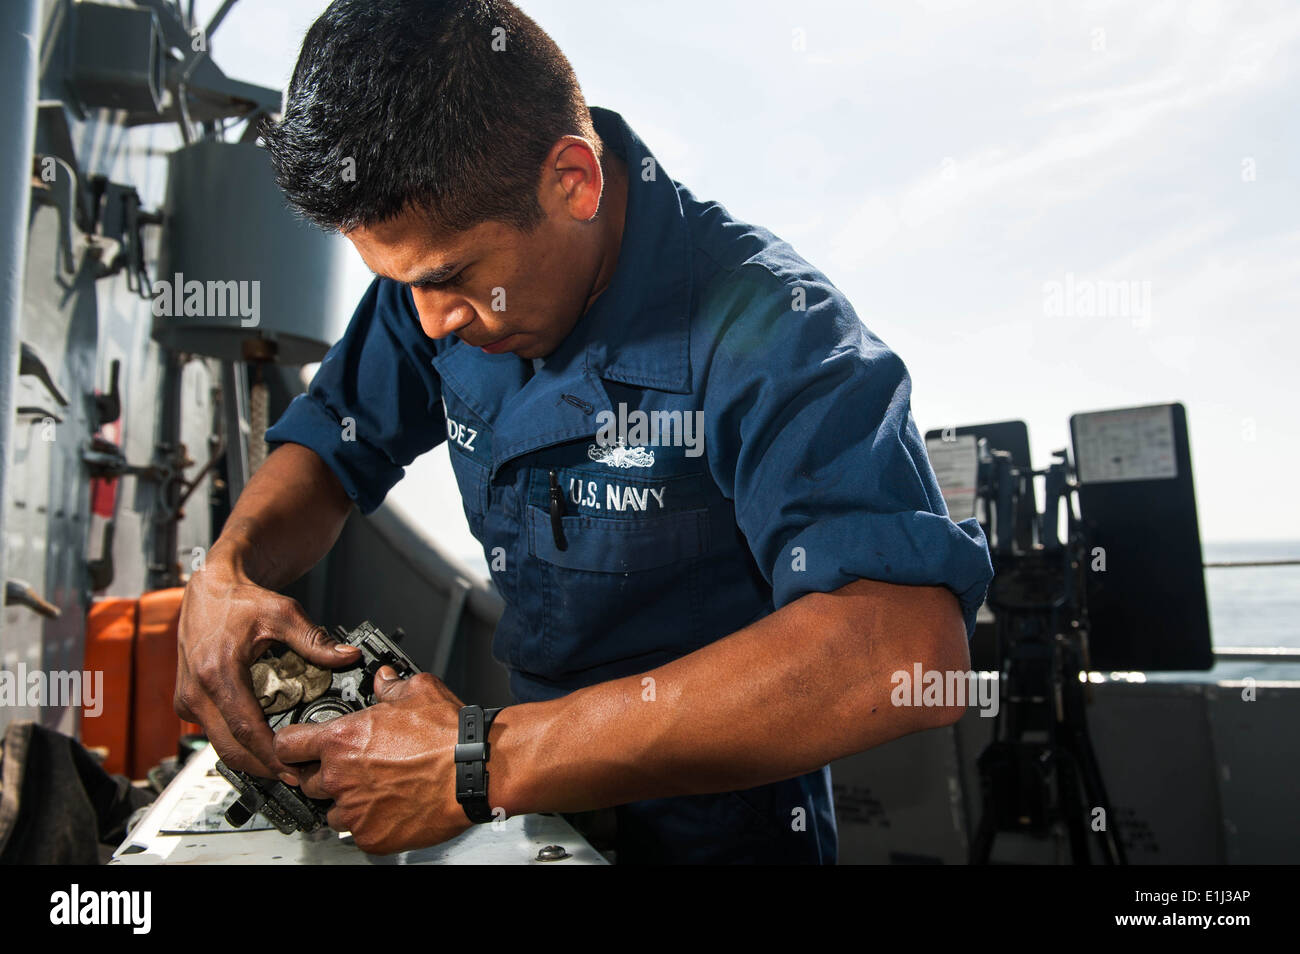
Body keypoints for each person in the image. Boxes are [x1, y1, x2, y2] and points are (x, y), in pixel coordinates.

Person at [174, 0, 993, 864]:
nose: (429, 321)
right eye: (401, 281)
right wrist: (227, 572)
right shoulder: (435, 280)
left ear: (574, 180)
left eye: (451, 278)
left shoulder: (774, 326)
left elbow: (904, 648)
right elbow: (331, 447)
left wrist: (484, 760)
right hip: (529, 817)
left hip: (720, 836)